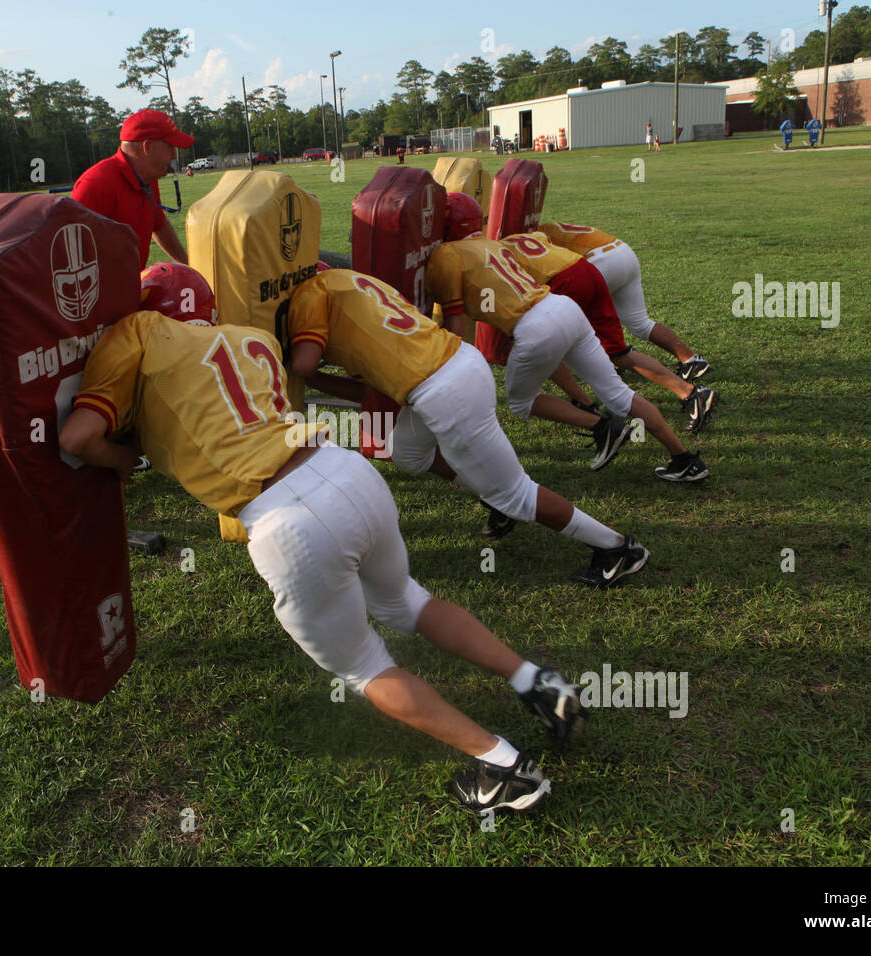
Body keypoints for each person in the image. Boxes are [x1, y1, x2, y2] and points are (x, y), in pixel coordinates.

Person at [58, 268, 589, 815]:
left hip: (285, 515)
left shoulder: (139, 331)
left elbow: (78, 438)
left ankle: (504, 767)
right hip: (344, 470)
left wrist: (122, 460)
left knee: (363, 666)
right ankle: (536, 680)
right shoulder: (249, 336)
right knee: (408, 599)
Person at [287, 266, 647, 584]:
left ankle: (617, 547)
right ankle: (493, 497)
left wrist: (287, 361)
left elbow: (302, 365)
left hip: (443, 390)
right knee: (407, 452)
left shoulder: (309, 295)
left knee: (516, 493)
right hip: (457, 362)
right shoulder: (350, 280)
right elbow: (367, 389)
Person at [426, 196, 710, 483]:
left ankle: (601, 427)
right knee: (619, 394)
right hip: (565, 309)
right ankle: (684, 459)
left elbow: (454, 322)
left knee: (521, 403)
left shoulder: (449, 255)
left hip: (535, 326)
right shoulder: (492, 245)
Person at [499, 226, 716, 433]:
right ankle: (690, 384)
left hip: (579, 273)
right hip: (601, 263)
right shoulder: (535, 233)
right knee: (622, 343)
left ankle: (584, 403)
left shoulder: (492, 250)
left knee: (552, 343)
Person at [538, 220, 715, 384]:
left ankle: (610, 362)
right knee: (640, 323)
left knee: (572, 318)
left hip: (599, 261)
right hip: (623, 252)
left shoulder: (535, 235)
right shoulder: (547, 227)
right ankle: (691, 360)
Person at [71, 108, 192, 266]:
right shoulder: (95, 185)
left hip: (131, 285)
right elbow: (71, 251)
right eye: (170, 147)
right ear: (147, 147)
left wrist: (188, 265)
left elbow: (159, 225)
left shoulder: (148, 177)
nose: (174, 156)